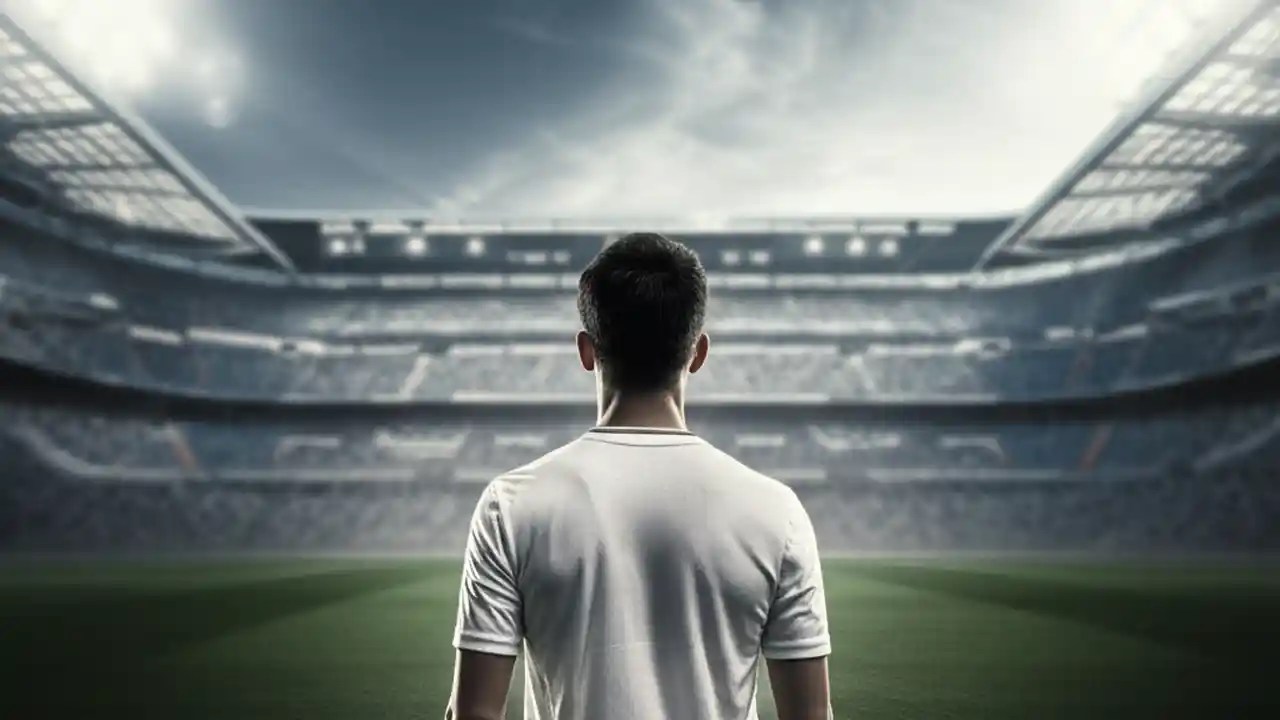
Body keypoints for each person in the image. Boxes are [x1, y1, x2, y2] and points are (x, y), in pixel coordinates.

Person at [445, 233, 832, 720]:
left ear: (587, 351)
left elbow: (474, 714)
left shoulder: (510, 507)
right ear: (698, 352)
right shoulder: (778, 513)